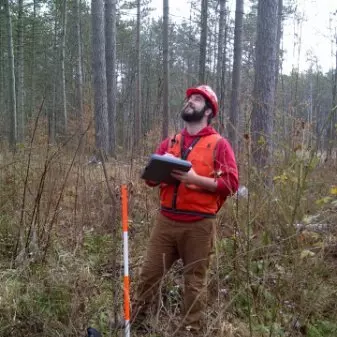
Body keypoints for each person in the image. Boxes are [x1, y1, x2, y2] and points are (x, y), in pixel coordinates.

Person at [132, 85, 239, 335]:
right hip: (165, 222)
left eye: (197, 99)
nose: (190, 101)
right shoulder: (170, 142)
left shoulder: (219, 144)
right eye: (189, 98)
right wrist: (155, 173)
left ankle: (190, 330)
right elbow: (150, 180)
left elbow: (232, 185)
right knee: (149, 274)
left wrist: (194, 179)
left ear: (209, 111)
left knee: (194, 283)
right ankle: (134, 320)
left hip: (199, 225)